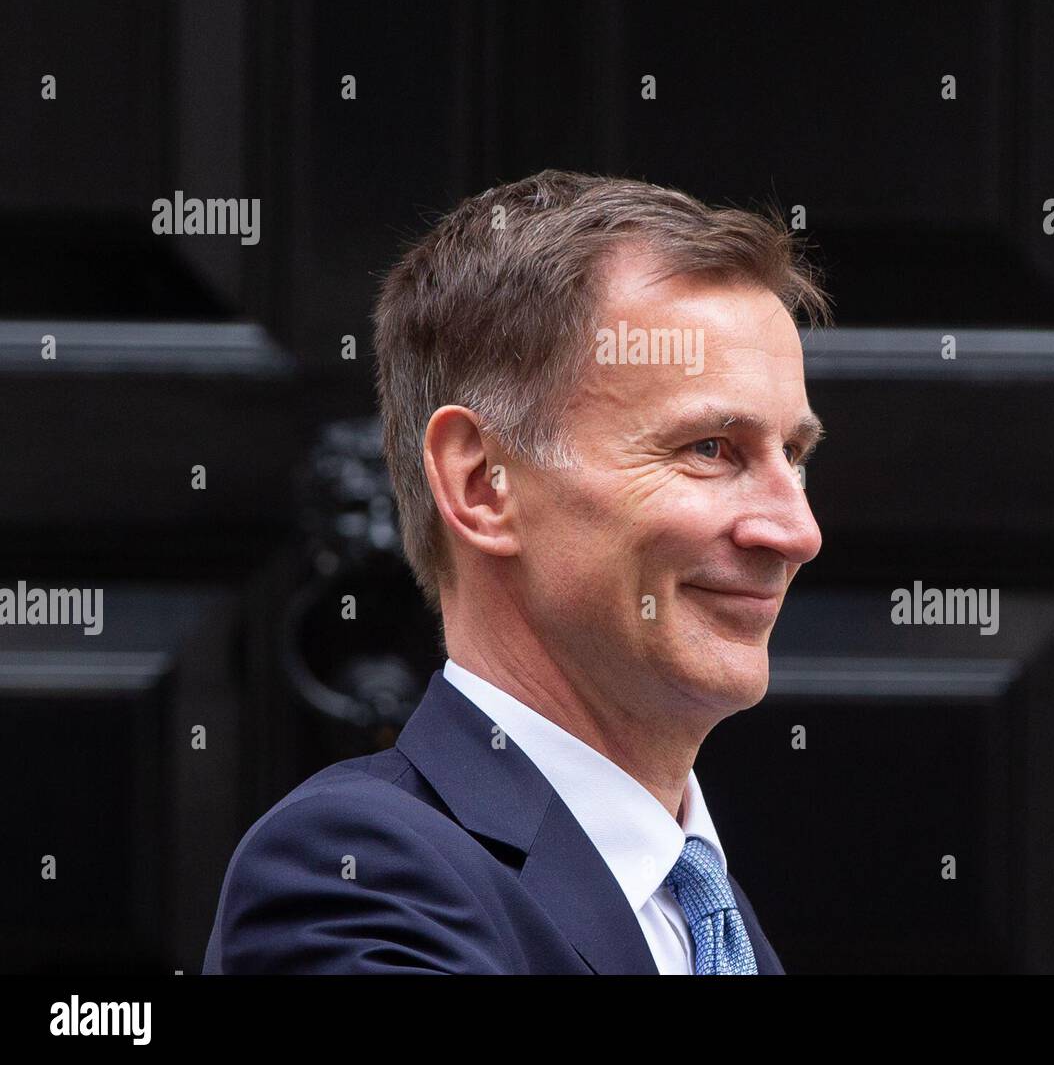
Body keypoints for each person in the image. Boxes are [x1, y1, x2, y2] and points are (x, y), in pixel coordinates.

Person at [204, 170, 828, 973]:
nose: (796, 531)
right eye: (711, 449)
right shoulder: (352, 874)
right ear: (480, 483)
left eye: (796, 456)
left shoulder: (704, 911)